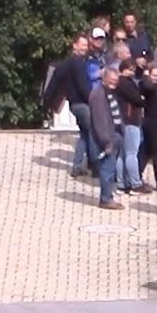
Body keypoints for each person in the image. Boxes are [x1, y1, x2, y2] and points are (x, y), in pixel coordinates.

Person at [41, 33, 96, 178]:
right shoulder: (77, 63)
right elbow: (83, 87)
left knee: (84, 134)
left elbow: (54, 83)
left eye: (86, 45)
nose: (85, 48)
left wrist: (47, 102)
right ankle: (96, 166)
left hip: (74, 105)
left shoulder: (65, 63)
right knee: (93, 134)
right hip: (82, 104)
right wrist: (95, 101)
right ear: (74, 45)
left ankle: (77, 167)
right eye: (82, 45)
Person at [111, 42, 151, 194]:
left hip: (123, 120)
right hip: (130, 120)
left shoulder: (121, 82)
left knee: (122, 154)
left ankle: (122, 184)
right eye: (130, 69)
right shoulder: (124, 82)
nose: (133, 72)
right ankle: (135, 183)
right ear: (123, 70)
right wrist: (142, 99)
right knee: (131, 153)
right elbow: (137, 99)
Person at [88, 68, 125, 210]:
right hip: (107, 137)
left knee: (111, 168)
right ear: (104, 79)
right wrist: (106, 141)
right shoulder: (98, 95)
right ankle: (106, 199)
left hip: (116, 133)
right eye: (112, 80)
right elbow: (99, 121)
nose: (114, 83)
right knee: (107, 169)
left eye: (116, 81)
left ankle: (108, 195)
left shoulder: (111, 93)